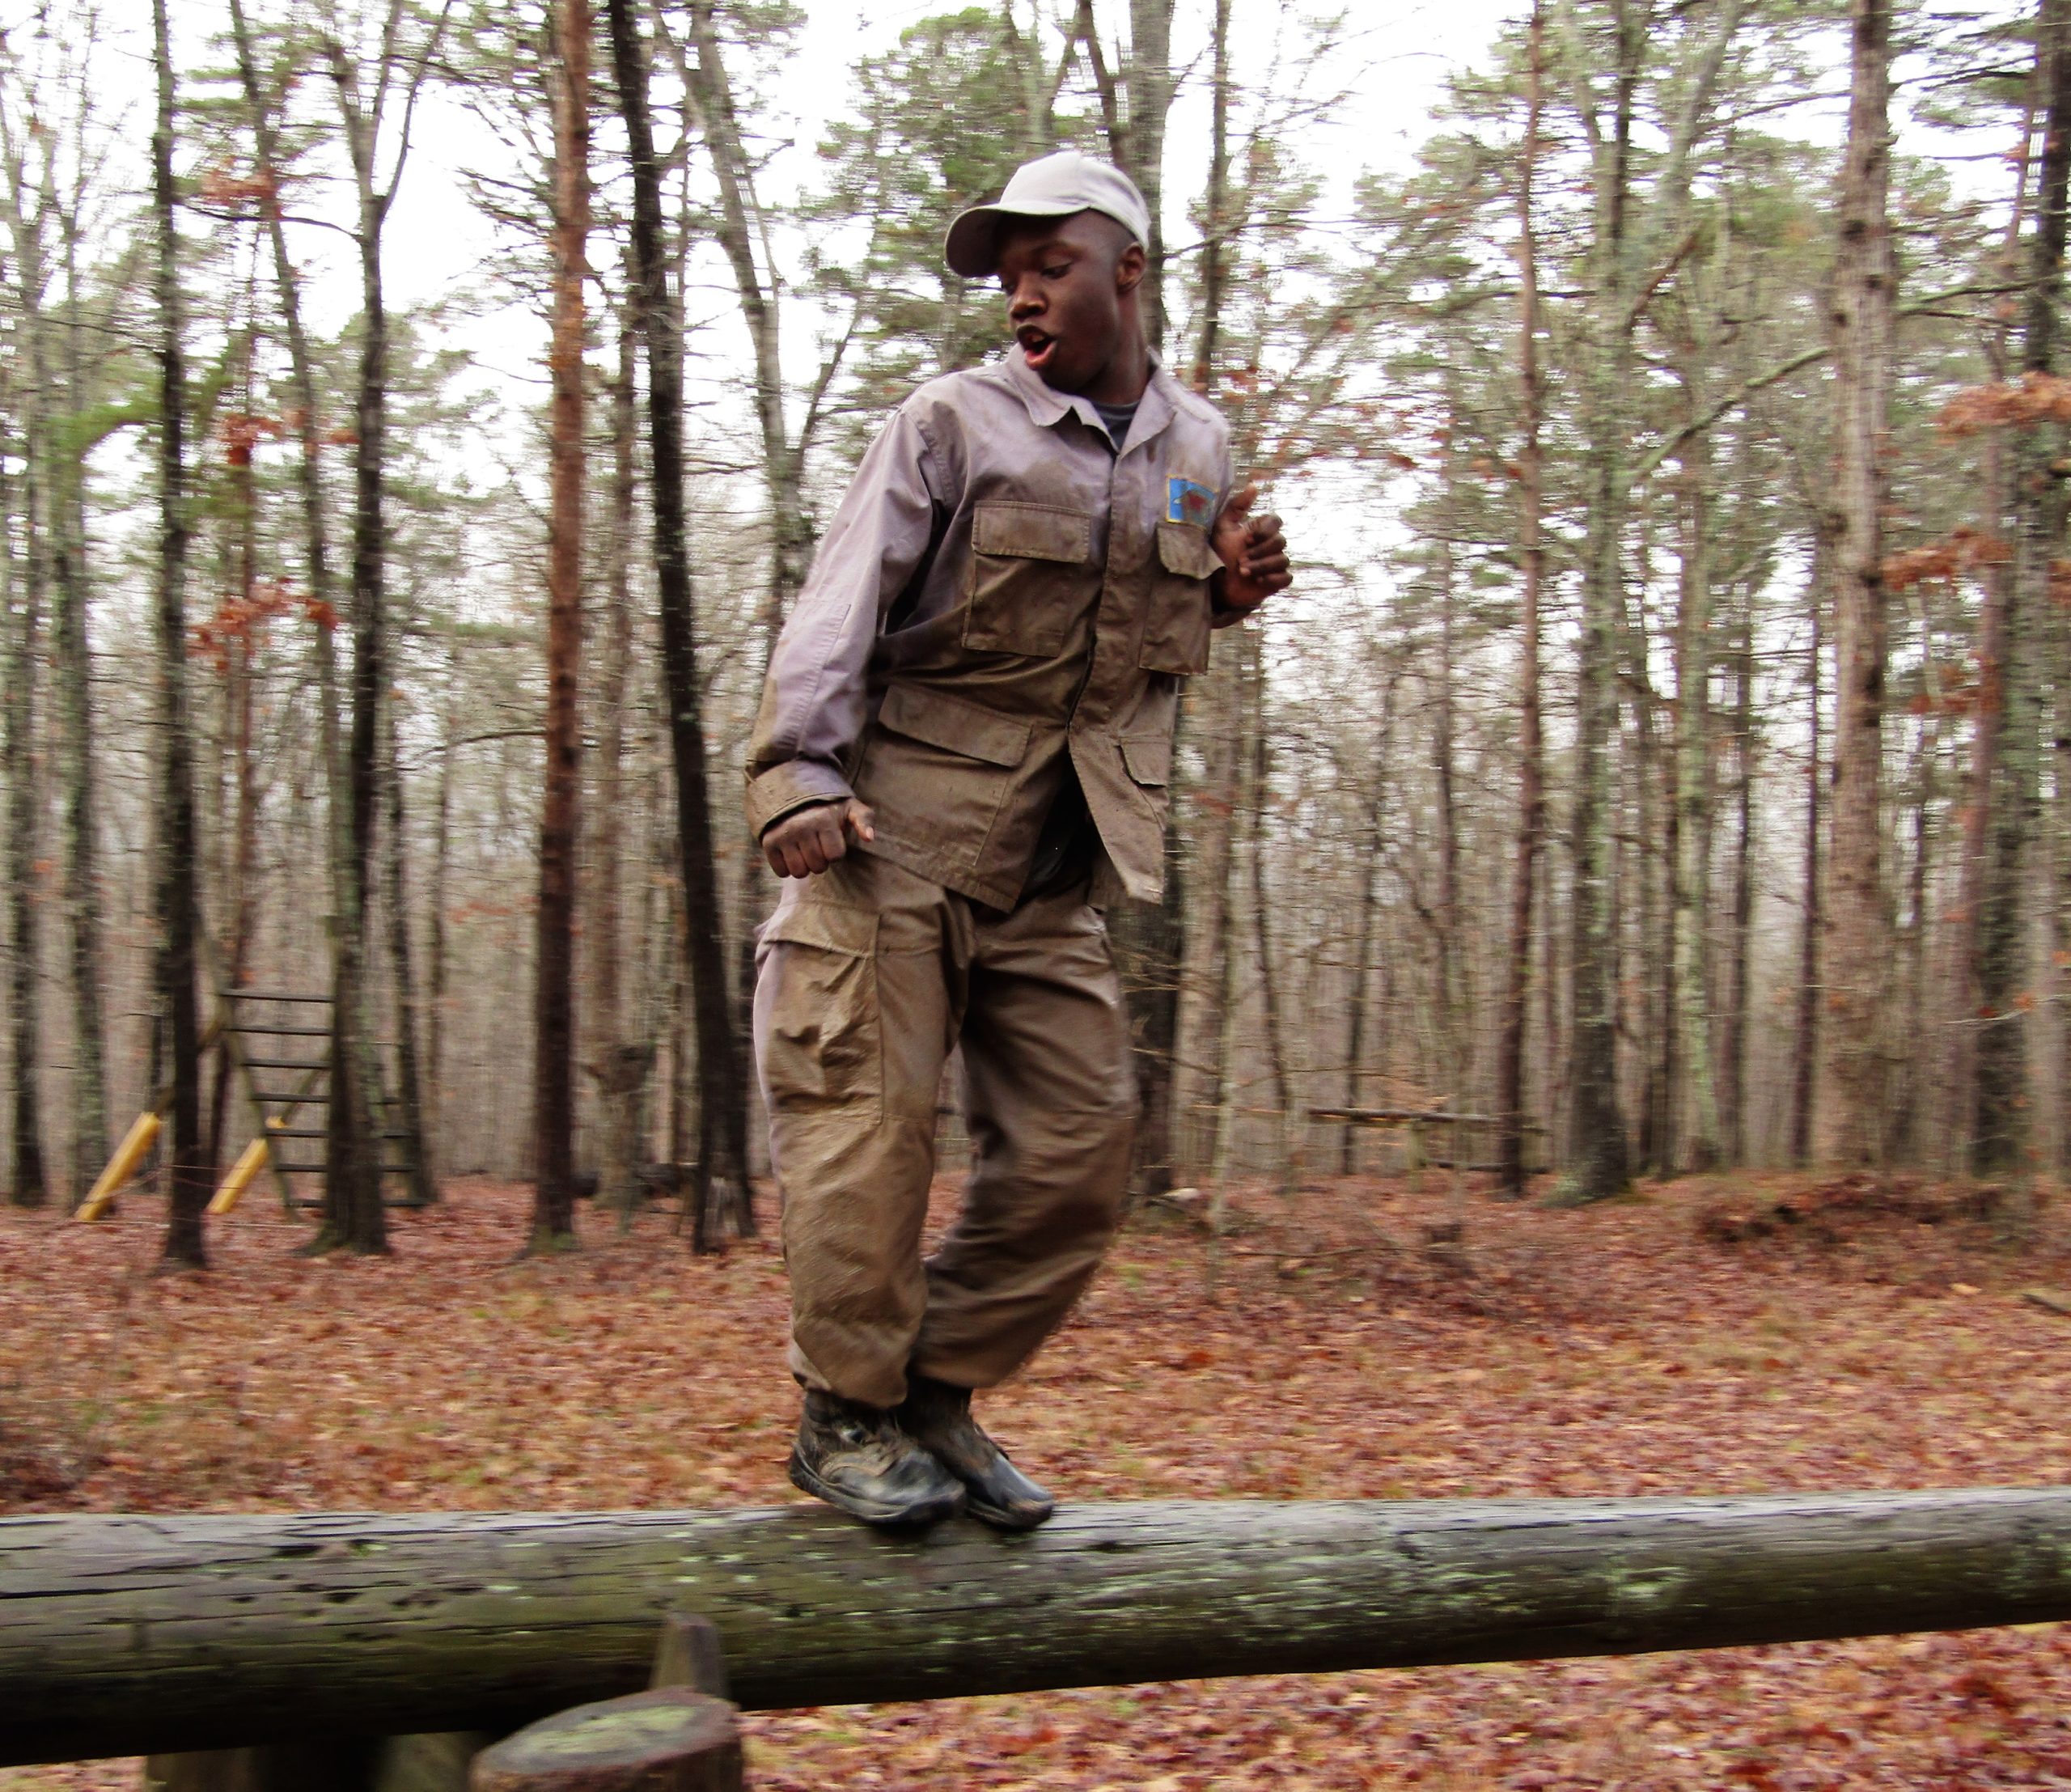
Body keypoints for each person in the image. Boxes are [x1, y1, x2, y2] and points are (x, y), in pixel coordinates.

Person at [746, 150, 1291, 1528]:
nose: (1022, 297)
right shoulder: (950, 422)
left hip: (1056, 863)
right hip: (895, 834)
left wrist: (1219, 601)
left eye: (1050, 265)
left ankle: (937, 1395)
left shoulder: (1197, 448)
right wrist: (797, 773)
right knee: (868, 1135)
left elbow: (1135, 642)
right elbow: (841, 599)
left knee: (1081, 1146)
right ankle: (847, 1414)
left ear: (1131, 270)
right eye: (1007, 276)